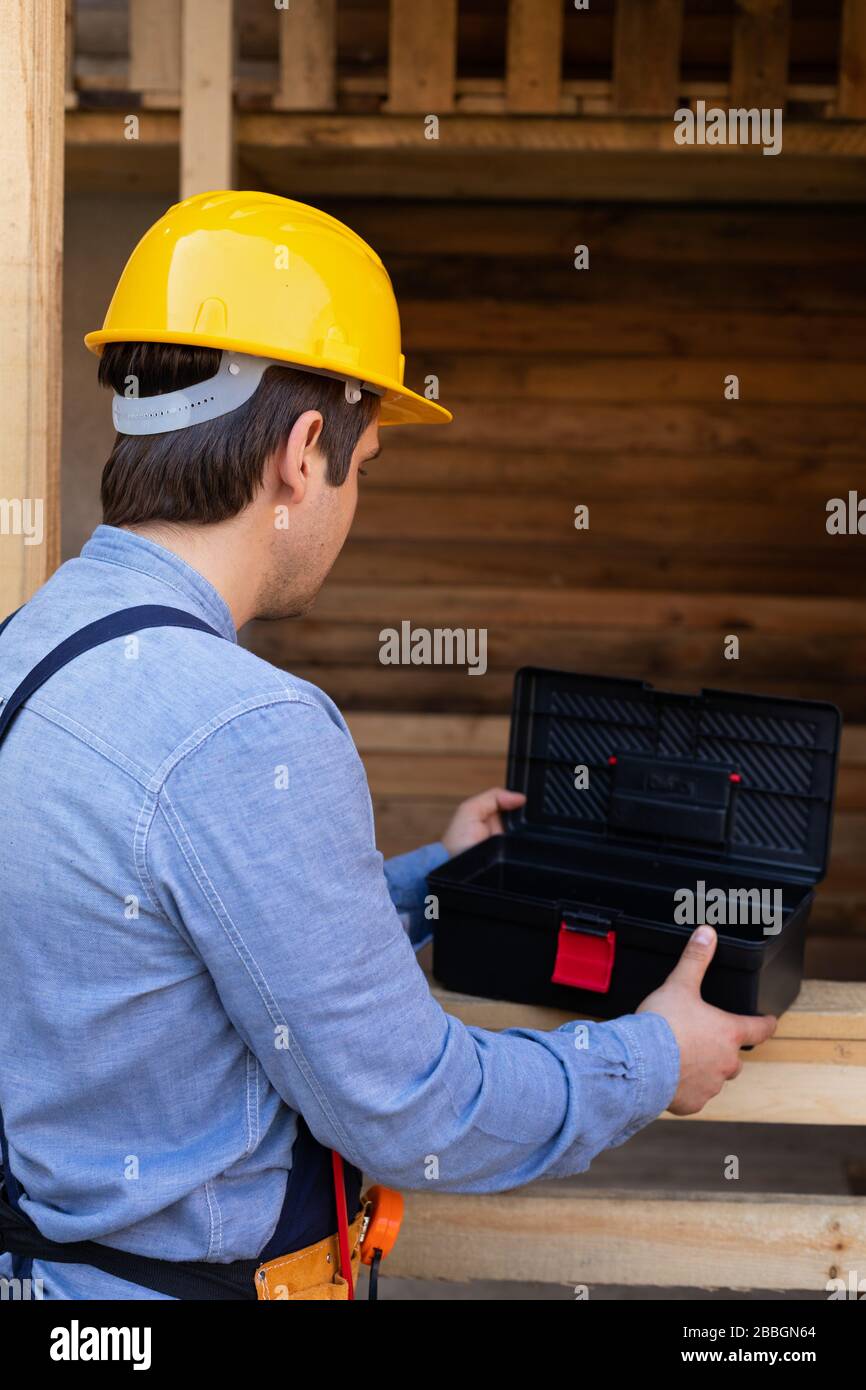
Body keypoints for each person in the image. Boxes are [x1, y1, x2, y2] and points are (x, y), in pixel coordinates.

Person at [0, 192, 776, 1300]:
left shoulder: (31, 651)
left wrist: (431, 881)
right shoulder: (243, 726)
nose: (352, 499)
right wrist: (652, 1059)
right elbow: (410, 1105)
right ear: (303, 452)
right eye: (365, 463)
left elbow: (173, 937)